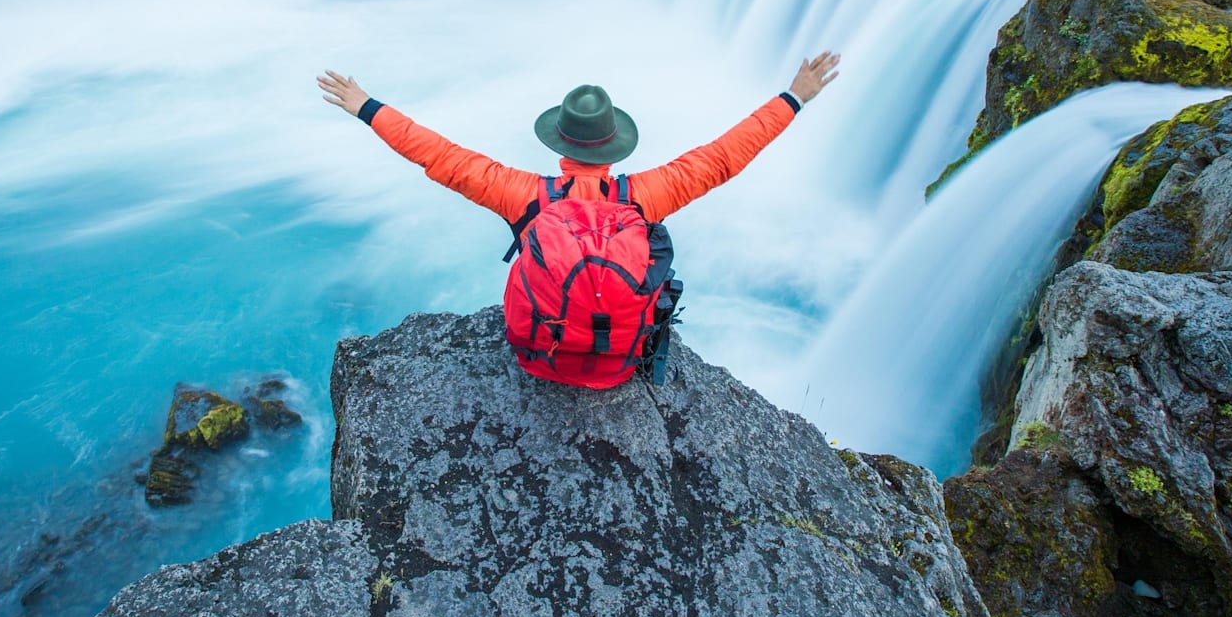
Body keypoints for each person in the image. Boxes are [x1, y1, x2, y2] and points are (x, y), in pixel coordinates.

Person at [316, 51, 840, 383]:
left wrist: (367, 107)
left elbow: (440, 155)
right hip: (620, 369)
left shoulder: (522, 196)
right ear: (615, 145)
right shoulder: (643, 197)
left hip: (538, 361)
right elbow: (725, 156)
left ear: (558, 141)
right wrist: (794, 97)